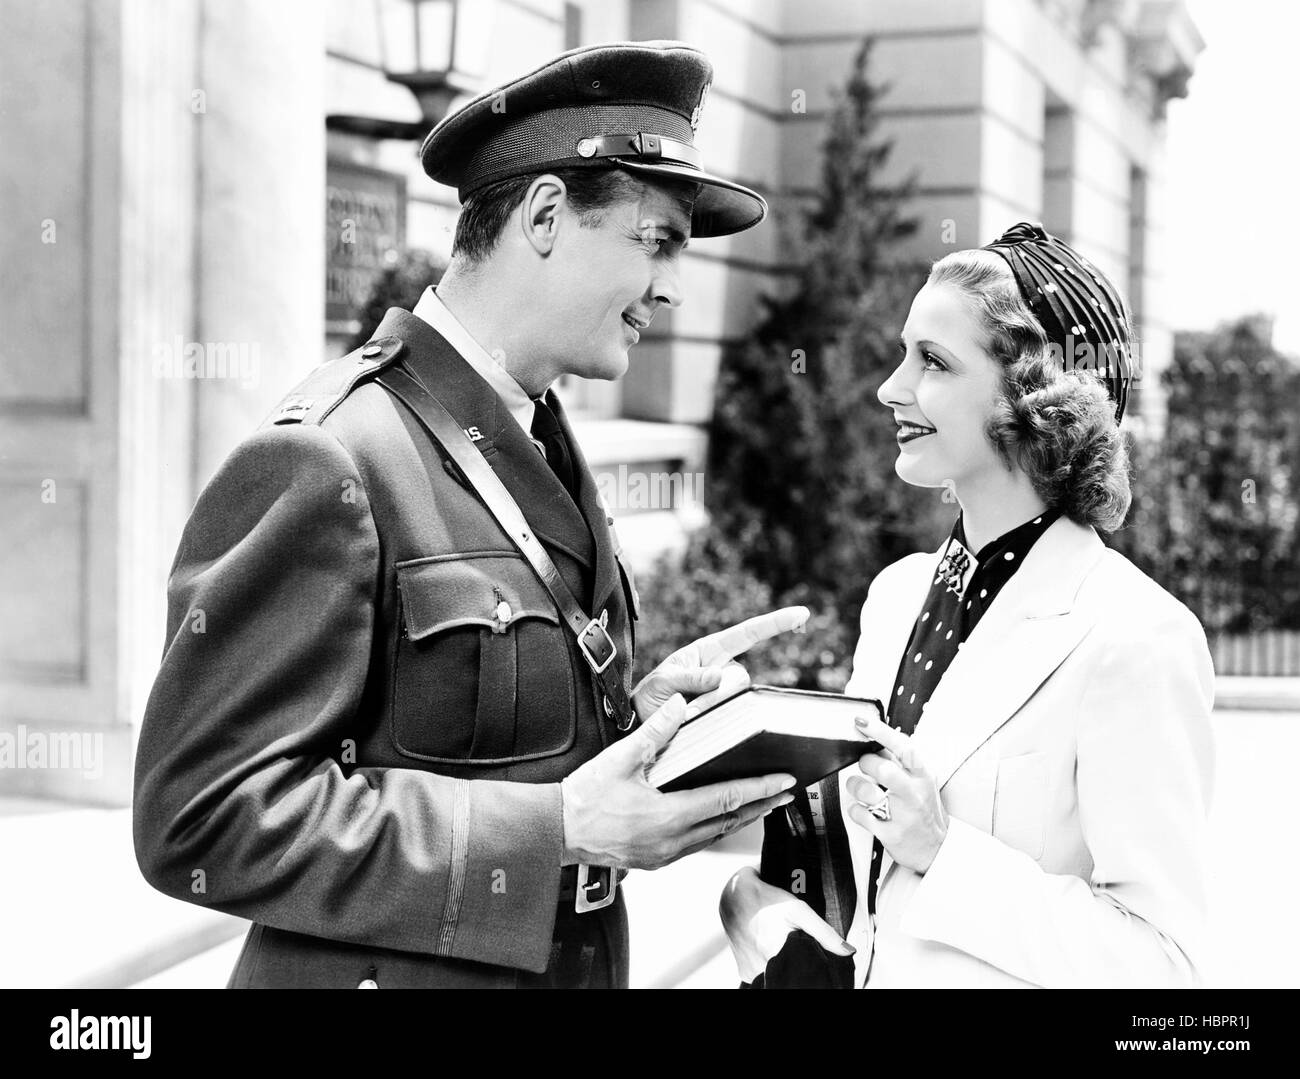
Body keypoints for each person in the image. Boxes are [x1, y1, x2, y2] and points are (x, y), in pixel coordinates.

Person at [132, 40, 804, 989]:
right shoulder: (331, 455)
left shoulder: (538, 435)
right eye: (655, 241)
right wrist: (560, 827)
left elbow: (477, 737)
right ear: (542, 216)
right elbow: (203, 813)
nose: (672, 287)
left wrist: (635, 726)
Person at [720, 222, 1216, 988]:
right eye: (903, 353)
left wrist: (945, 852)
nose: (891, 387)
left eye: (934, 362)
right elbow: (875, 891)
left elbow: (1162, 966)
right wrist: (772, 911)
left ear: (1036, 398)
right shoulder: (895, 597)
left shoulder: (1137, 637)